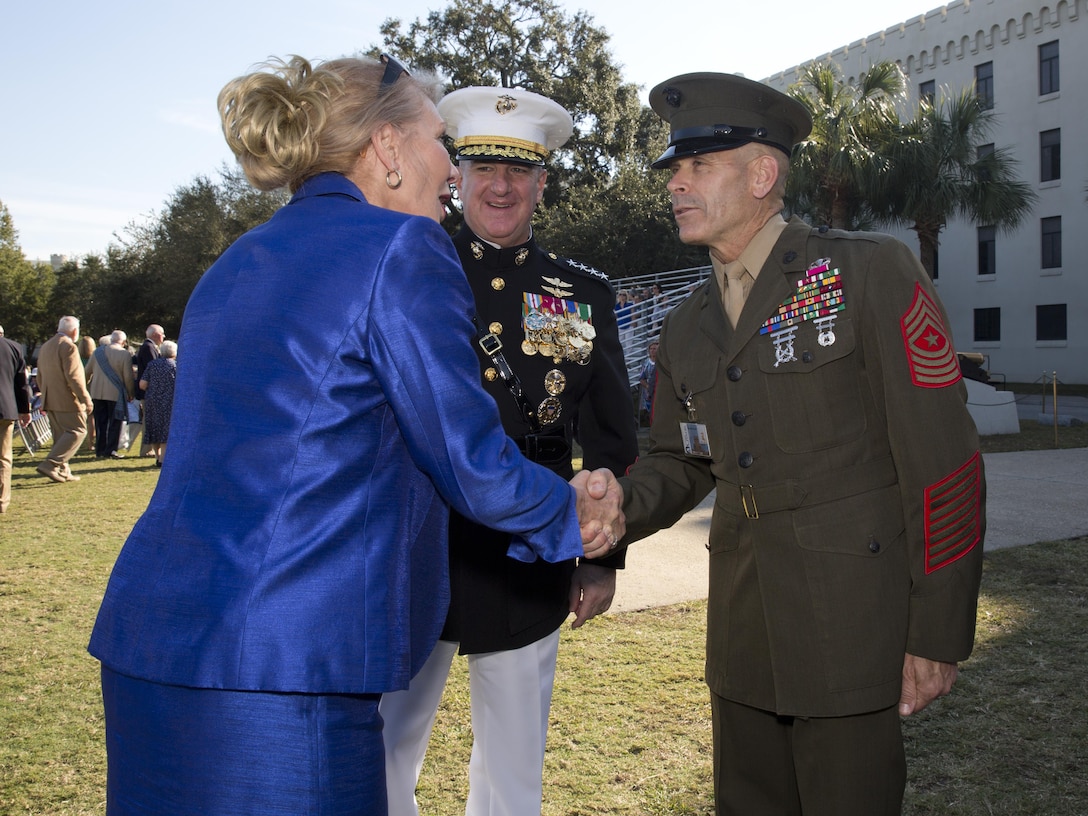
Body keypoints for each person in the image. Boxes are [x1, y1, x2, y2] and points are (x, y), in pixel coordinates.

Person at [87, 54, 624, 816]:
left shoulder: (237, 259)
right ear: (388, 147)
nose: (452, 166)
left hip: (152, 642)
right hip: (284, 662)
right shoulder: (401, 250)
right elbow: (469, 462)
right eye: (441, 140)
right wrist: (580, 516)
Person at [616, 72, 985, 815]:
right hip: (742, 638)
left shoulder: (866, 272)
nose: (676, 186)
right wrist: (611, 510)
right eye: (673, 171)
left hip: (853, 627)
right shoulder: (687, 324)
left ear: (762, 174)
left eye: (697, 167)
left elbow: (944, 464)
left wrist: (938, 633)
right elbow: (680, 459)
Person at [379, 86, 639, 816]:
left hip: (529, 547)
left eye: (519, 171)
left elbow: (613, 435)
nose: (501, 186)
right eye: (484, 167)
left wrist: (598, 556)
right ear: (455, 173)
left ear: (542, 182)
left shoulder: (582, 293)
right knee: (388, 746)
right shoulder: (402, 265)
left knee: (516, 759)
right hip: (417, 537)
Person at [35, 316, 93, 483]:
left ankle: (63, 470)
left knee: (61, 436)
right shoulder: (68, 347)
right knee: (78, 431)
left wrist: (45, 395)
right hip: (68, 400)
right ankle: (51, 464)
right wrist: (85, 398)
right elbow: (74, 377)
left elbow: (40, 376)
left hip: (50, 399)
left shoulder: (46, 346)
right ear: (75, 331)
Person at [84, 330, 136, 459]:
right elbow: (128, 377)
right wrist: (130, 392)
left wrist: (86, 389)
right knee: (115, 423)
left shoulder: (97, 352)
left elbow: (86, 373)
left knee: (100, 423)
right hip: (115, 393)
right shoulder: (124, 354)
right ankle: (110, 450)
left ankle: (100, 450)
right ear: (123, 342)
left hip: (96, 393)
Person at [1, 326, 33, 513]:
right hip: (5, 409)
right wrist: (24, 410)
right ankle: (2, 500)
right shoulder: (13, 348)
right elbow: (21, 383)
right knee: (4, 457)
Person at [138, 339, 177, 467]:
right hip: (169, 401)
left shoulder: (152, 365)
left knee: (154, 428)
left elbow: (142, 384)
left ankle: (157, 455)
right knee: (166, 428)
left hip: (152, 400)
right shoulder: (175, 366)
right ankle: (163, 459)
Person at [134, 324, 164, 456]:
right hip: (149, 390)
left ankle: (148, 449)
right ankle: (146, 450)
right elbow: (153, 369)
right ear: (156, 334)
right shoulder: (148, 347)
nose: (163, 336)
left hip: (148, 390)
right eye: (162, 334)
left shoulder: (148, 346)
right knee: (148, 419)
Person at [637, 339, 658, 427]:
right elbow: (641, 378)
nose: (653, 351)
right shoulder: (646, 363)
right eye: (651, 349)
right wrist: (648, 386)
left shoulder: (661, 362)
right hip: (649, 390)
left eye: (655, 349)